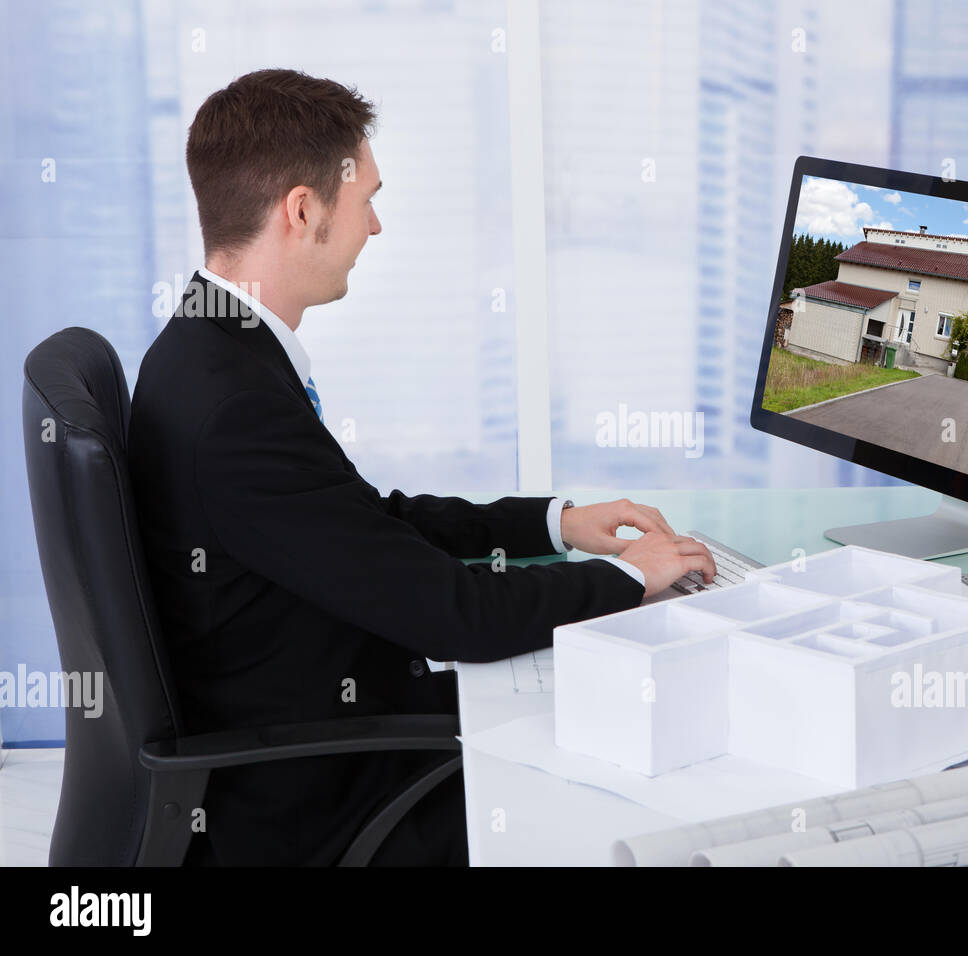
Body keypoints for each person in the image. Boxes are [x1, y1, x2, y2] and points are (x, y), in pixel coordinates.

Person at [127, 68, 715, 865]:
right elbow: (455, 619)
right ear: (302, 211)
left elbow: (366, 522)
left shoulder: (209, 348)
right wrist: (627, 581)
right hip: (333, 788)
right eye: (365, 196)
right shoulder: (235, 408)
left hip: (330, 717)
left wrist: (554, 523)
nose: (375, 225)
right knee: (660, 778)